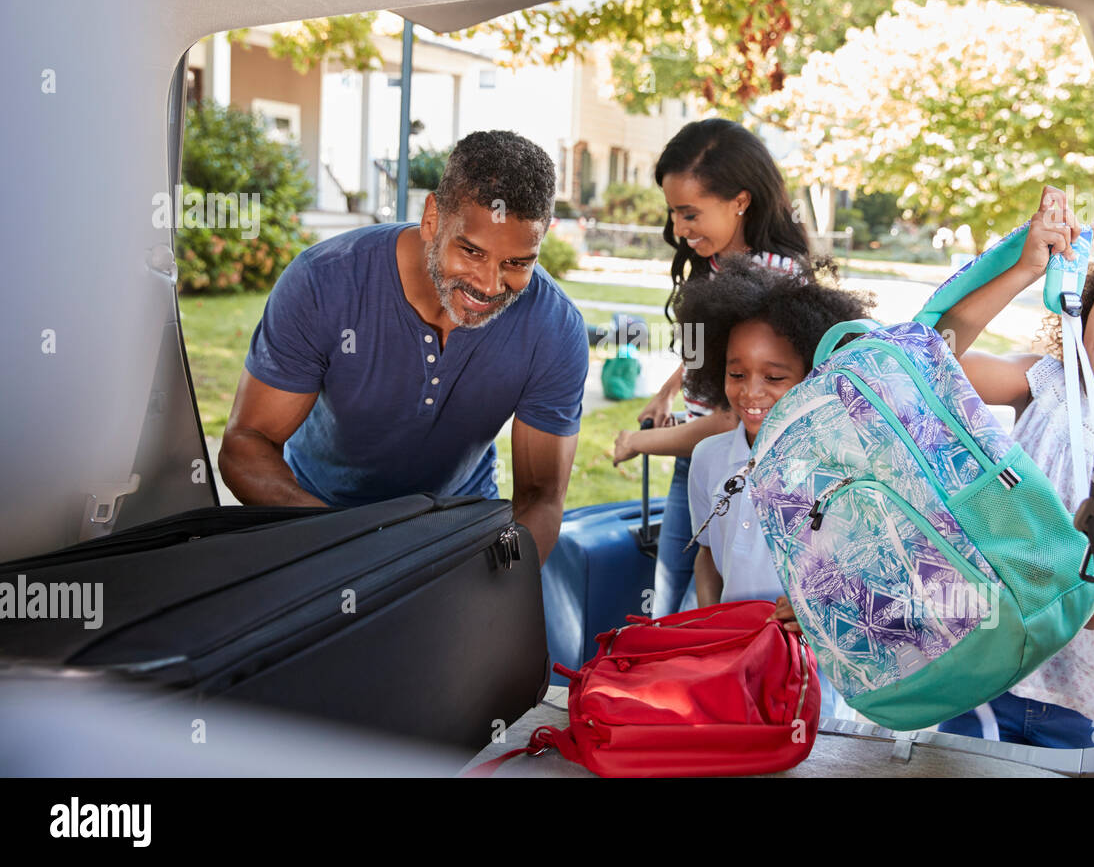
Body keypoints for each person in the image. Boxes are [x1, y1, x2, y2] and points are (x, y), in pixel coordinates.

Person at [218, 130, 588, 564]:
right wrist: (343, 548)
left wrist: (498, 588)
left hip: (458, 526)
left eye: (516, 263)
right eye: (471, 251)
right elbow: (247, 444)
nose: (490, 284)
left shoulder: (554, 327)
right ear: (432, 217)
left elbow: (540, 497)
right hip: (319, 518)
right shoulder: (324, 282)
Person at [933, 186, 1094, 748]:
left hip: (1086, 705)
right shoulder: (1046, 384)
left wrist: (1000, 575)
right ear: (1083, 308)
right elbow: (937, 353)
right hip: (988, 677)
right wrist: (1022, 270)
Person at [610, 118, 811, 618]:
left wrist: (637, 443)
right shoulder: (717, 261)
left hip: (741, 470)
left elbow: (734, 416)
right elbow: (711, 353)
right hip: (698, 460)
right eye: (673, 212)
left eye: (689, 213)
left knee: (699, 612)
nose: (678, 229)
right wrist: (668, 390)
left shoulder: (772, 281)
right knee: (672, 605)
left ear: (740, 201)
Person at [675, 255, 876, 718]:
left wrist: (818, 612)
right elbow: (707, 553)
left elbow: (870, 573)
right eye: (736, 373)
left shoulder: (844, 466)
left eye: (775, 377)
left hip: (825, 676)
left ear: (813, 377)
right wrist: (713, 628)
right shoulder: (708, 459)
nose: (751, 393)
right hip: (736, 664)